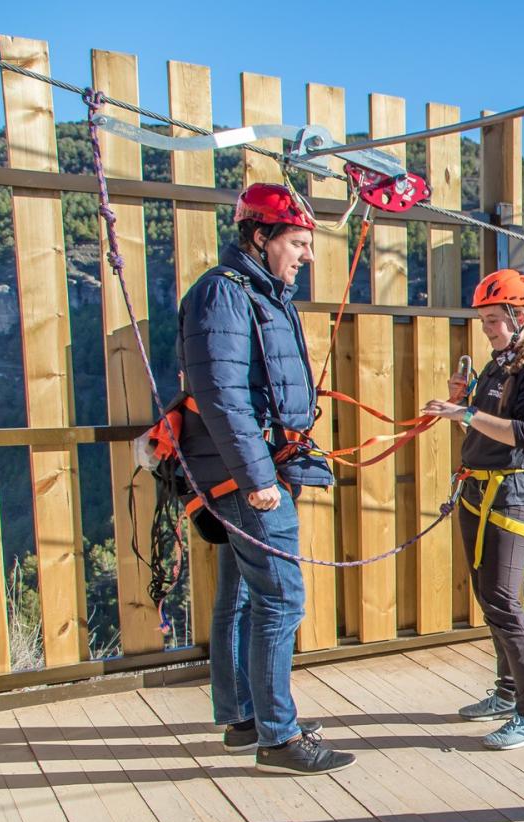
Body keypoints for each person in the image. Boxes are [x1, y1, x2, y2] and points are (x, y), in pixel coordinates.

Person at [177, 182, 351, 775]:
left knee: (245, 592)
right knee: (282, 597)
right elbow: (223, 395)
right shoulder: (225, 295)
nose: (307, 255)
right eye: (298, 242)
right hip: (253, 476)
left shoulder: (257, 294)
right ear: (260, 236)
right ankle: (277, 736)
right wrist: (258, 478)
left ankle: (243, 717)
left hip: (258, 468)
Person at [424, 269, 524, 751]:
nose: (488, 329)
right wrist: (465, 403)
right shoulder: (497, 368)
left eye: (495, 320)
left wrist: (463, 412)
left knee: (504, 602)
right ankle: (508, 693)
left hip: (509, 497)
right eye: (484, 321)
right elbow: (484, 432)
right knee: (489, 599)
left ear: (521, 318)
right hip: (478, 493)